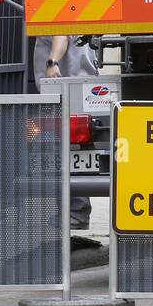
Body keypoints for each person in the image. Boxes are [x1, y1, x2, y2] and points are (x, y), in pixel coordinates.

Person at [33, 34, 99, 232]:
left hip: (64, 88)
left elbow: (60, 35)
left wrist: (52, 62)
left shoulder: (55, 7)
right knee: (74, 152)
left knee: (65, 153)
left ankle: (75, 213)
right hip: (80, 85)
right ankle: (75, 212)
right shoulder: (79, 7)